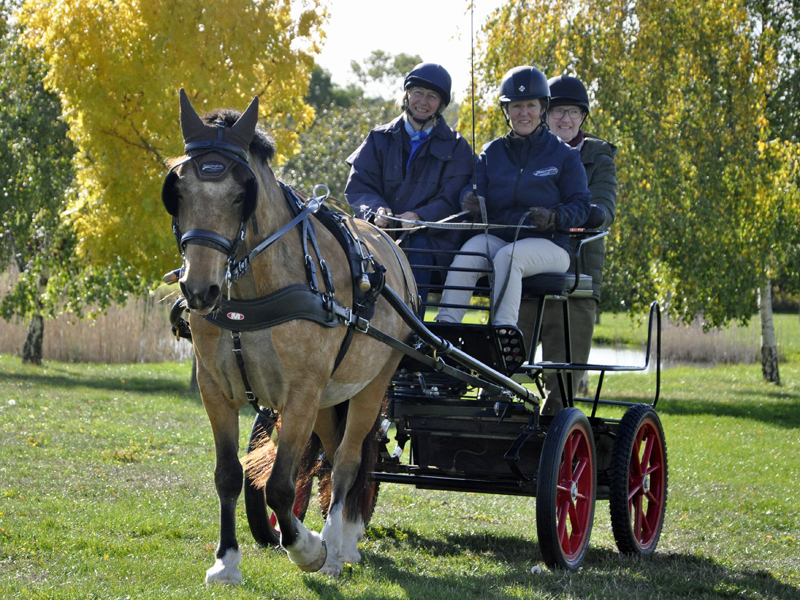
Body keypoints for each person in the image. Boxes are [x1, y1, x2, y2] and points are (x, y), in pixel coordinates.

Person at [435, 66, 591, 340]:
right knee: (469, 253)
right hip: (500, 238)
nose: (523, 113)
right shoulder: (491, 153)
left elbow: (581, 206)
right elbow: (472, 190)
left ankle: (502, 334)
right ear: (506, 111)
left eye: (530, 105)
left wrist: (555, 217)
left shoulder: (563, 156)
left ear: (542, 109)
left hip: (551, 245)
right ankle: (444, 333)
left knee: (511, 257)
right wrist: (468, 199)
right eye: (516, 106)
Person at [523, 74, 618, 415]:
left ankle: (555, 453)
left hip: (576, 280)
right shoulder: (529, 151)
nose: (565, 119)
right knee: (498, 368)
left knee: (562, 382)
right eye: (558, 111)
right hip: (528, 277)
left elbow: (603, 209)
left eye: (573, 113)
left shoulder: (598, 158)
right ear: (545, 115)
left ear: (582, 118)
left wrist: (563, 217)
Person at [344, 62, 474, 300]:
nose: (423, 102)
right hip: (378, 231)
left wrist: (419, 217)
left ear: (441, 105)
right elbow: (360, 185)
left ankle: (413, 329)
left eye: (432, 96)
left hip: (430, 242)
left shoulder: (457, 147)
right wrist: (375, 211)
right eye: (418, 93)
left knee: (417, 248)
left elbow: (452, 197)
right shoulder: (378, 138)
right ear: (407, 96)